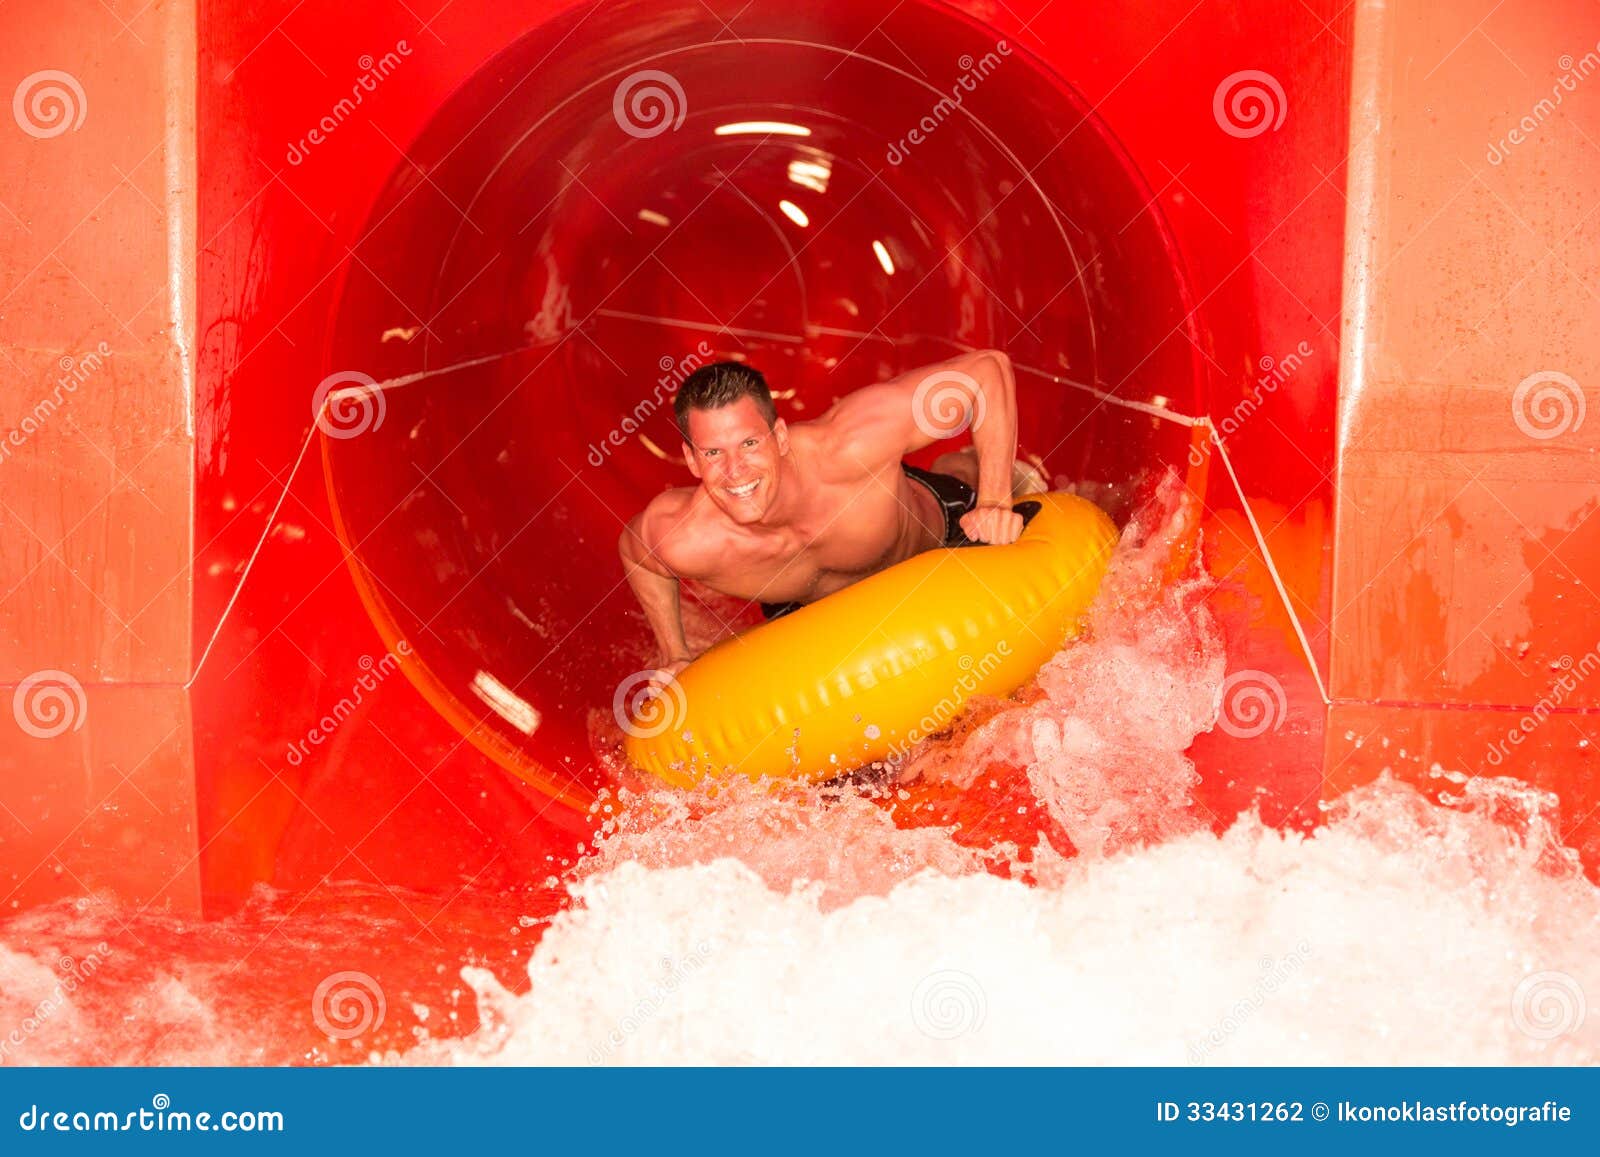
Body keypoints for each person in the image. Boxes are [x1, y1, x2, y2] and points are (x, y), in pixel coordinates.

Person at [618, 350, 1045, 688]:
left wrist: (993, 501)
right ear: (692, 460)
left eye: (749, 443)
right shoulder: (685, 536)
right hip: (814, 611)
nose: (736, 471)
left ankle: (965, 468)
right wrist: (675, 652)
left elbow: (986, 370)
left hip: (936, 535)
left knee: (954, 482)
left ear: (780, 437)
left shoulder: (848, 445)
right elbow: (636, 552)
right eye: (714, 453)